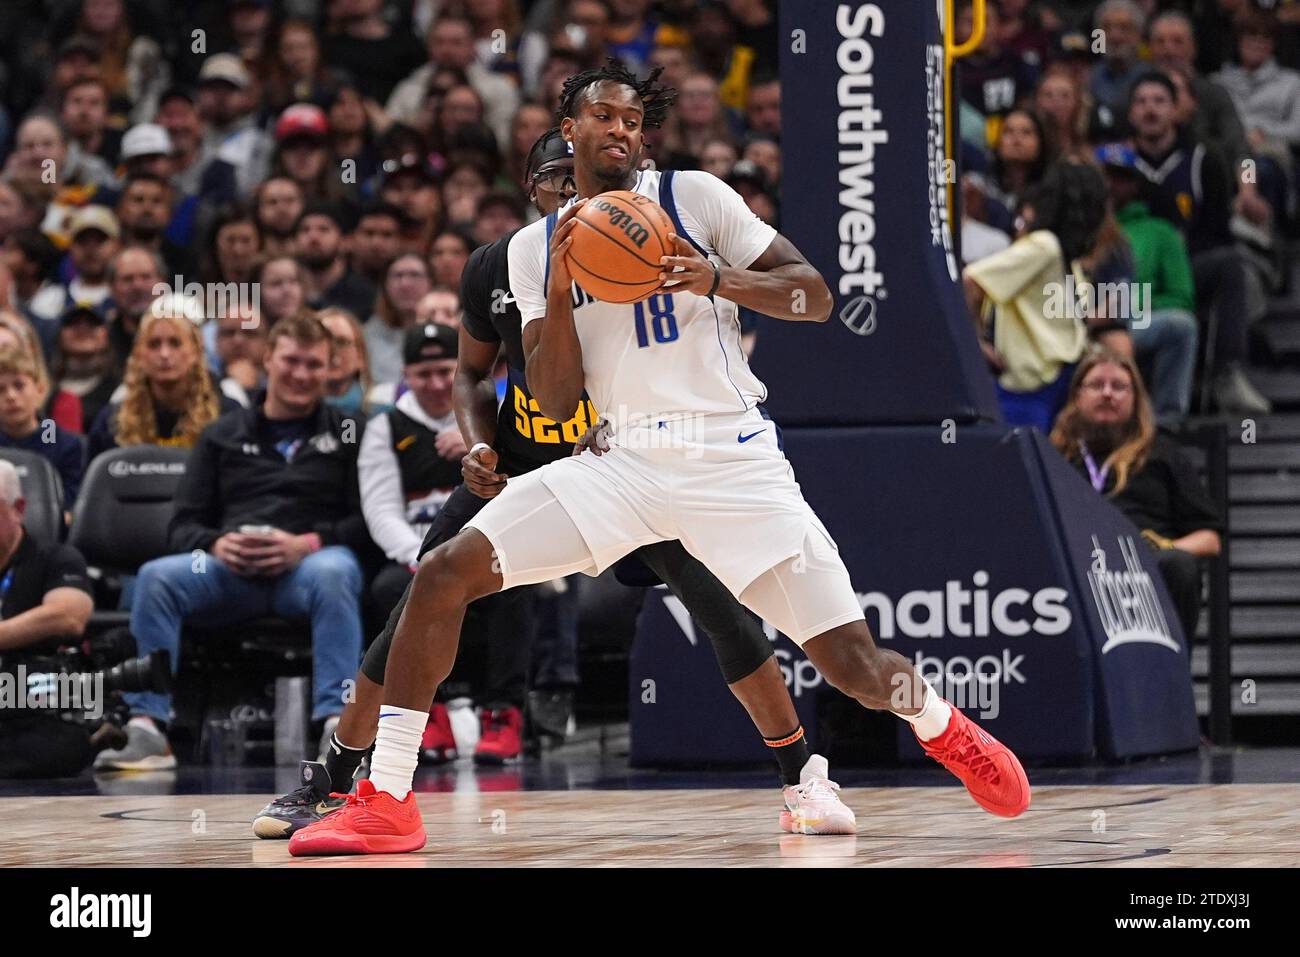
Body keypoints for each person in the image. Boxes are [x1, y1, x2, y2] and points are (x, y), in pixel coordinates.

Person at [287, 62, 1030, 857]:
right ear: (568, 128)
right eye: (603, 116)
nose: (620, 130)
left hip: (731, 458)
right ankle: (388, 798)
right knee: (441, 574)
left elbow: (815, 295)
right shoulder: (532, 250)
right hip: (621, 460)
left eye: (633, 121)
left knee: (855, 663)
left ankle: (939, 722)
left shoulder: (698, 196)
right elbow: (558, 397)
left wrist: (719, 277)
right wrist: (569, 275)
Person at [255, 127, 855, 841]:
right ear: (534, 188)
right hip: (519, 460)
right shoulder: (501, 264)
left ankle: (800, 777)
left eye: (582, 181)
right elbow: (471, 375)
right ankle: (335, 777)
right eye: (556, 182)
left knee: (720, 611)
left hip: (623, 464)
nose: (572, 195)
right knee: (420, 599)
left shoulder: (641, 245)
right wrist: (478, 441)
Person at [93, 313, 374, 771]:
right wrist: (217, 544)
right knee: (157, 577)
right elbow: (182, 526)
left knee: (336, 569)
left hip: (307, 570)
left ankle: (337, 734)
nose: (301, 374)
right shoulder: (221, 434)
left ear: (329, 368)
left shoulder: (351, 433)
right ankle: (147, 729)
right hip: (230, 573)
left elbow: (369, 523)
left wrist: (307, 543)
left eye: (314, 364)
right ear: (267, 359)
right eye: (291, 361)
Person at [1050, 347, 1222, 640]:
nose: (1107, 393)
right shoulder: (1052, 457)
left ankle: (1168, 678)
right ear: (1077, 396)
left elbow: (1210, 539)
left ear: (1135, 399)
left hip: (1145, 572)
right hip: (1072, 572)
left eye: (1119, 387)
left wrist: (1162, 548)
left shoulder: (1164, 454)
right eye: (1096, 385)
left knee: (1179, 565)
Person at [1127, 72, 1271, 414]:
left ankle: (1227, 374)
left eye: (1160, 101)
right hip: (1125, 277)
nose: (1150, 110)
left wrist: (1248, 188)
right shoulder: (1114, 160)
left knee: (1230, 263)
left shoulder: (1206, 158)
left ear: (1179, 108)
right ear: (1130, 112)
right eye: (1142, 102)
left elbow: (1246, 160)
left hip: (1186, 266)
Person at [964, 162, 1107, 432]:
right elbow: (971, 280)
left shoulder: (1066, 257)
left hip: (1062, 379)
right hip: (1029, 387)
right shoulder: (1044, 246)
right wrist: (976, 342)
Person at [0, 459, 96, 779]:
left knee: (64, 747)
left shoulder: (56, 557)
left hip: (30, 697)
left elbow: (69, 616)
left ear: (18, 508)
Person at [1097, 144, 1199, 426]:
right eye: (1103, 176)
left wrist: (1139, 304)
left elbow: (1182, 297)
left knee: (1181, 325)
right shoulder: (1078, 226)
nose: (1109, 185)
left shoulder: (1160, 231)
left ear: (1134, 184)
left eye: (1119, 177)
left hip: (1133, 322)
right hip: (1073, 319)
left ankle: (1165, 422)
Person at [85, 307, 237, 463]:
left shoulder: (228, 416)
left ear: (195, 352)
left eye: (175, 343)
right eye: (154, 344)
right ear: (139, 355)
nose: (164, 354)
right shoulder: (111, 422)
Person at [0, 345, 85, 508]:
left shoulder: (66, 444)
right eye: (0, 389)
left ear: (40, 390)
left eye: (19, 386)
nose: (11, 396)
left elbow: (72, 507)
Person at [364, 253, 434, 387]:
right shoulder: (367, 335)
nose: (405, 284)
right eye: (397, 276)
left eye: (415, 275)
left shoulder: (451, 329)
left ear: (431, 282)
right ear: (385, 286)